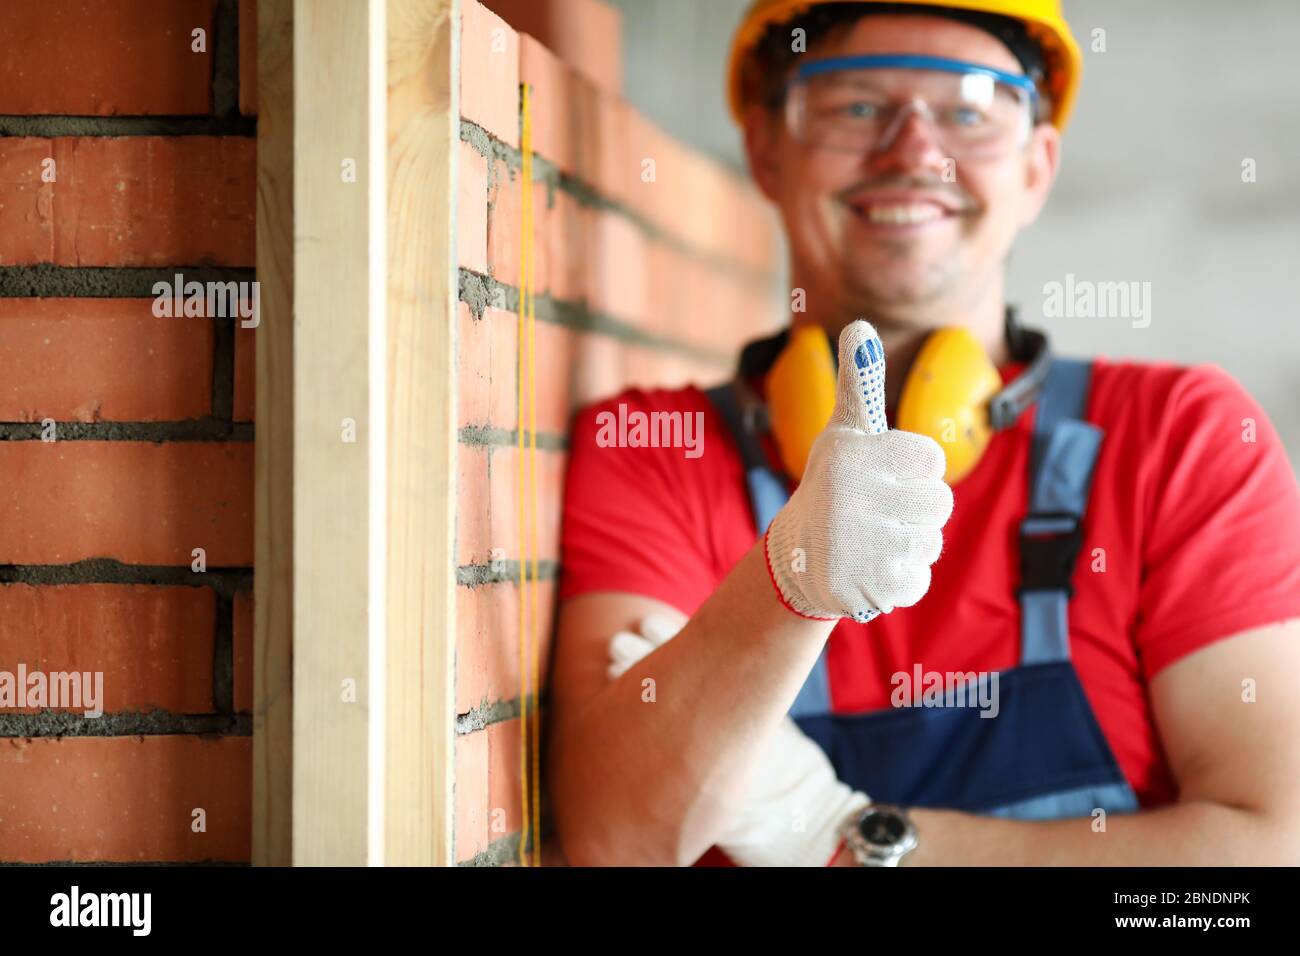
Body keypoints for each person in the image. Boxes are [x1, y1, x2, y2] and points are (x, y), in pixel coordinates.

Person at [547, 0, 1300, 866]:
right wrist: (787, 586)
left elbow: (1263, 856)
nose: (914, 152)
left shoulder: (1180, 441)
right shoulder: (656, 448)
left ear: (1037, 168)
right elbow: (613, 842)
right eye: (856, 104)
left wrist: (841, 836)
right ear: (764, 149)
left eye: (970, 112)